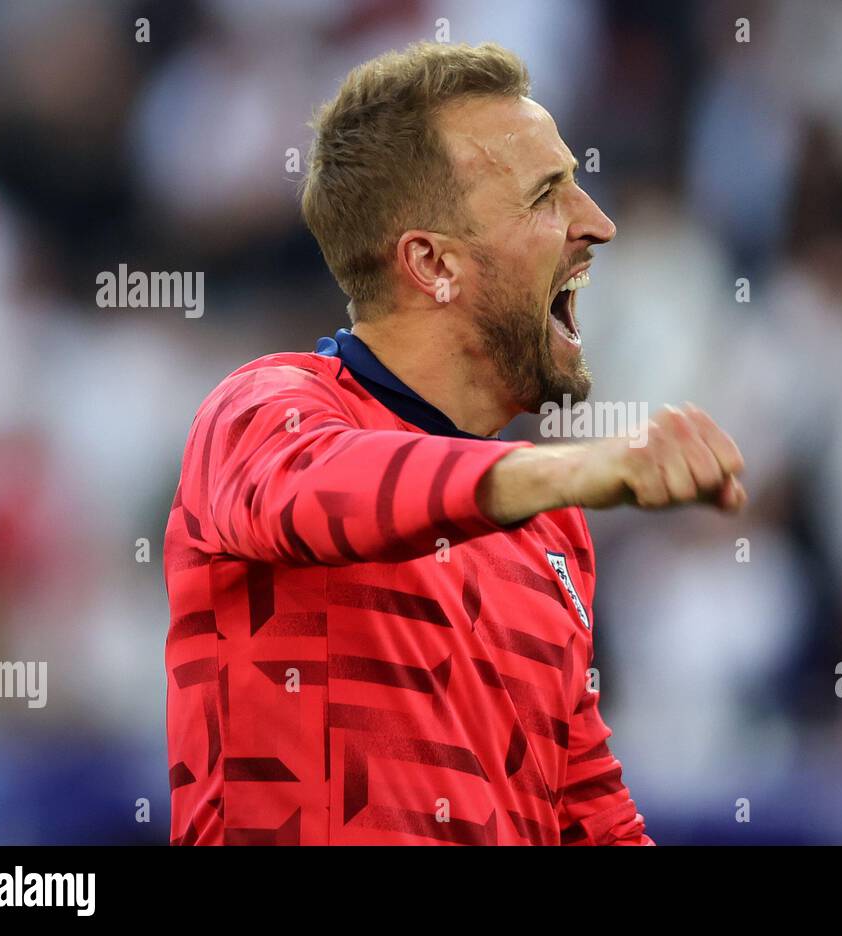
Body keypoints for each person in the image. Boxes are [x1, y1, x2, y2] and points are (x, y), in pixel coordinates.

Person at [164, 41, 745, 845]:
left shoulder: (553, 528)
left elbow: (591, 818)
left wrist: (555, 485)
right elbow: (322, 491)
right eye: (548, 195)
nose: (598, 224)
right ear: (432, 263)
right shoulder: (261, 412)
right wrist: (572, 467)